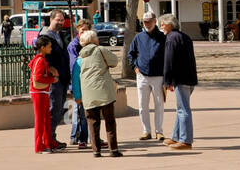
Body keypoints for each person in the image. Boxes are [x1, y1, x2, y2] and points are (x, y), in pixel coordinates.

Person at [78, 29, 122, 158]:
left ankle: (96, 150)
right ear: (94, 40)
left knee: (92, 122)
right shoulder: (100, 50)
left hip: (88, 92)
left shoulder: (81, 55)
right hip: (103, 91)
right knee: (109, 120)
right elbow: (114, 61)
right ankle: (113, 149)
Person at [127, 9, 167, 140]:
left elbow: (168, 55)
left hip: (158, 76)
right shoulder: (139, 37)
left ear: (155, 21)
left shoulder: (162, 37)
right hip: (142, 75)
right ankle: (146, 131)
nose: (147, 24)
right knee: (142, 105)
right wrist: (135, 67)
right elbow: (131, 54)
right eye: (145, 22)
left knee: (159, 104)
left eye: (149, 21)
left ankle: (159, 131)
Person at [160, 14, 198, 151]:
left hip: (181, 79)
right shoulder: (185, 37)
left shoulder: (171, 38)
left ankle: (186, 141)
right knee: (181, 108)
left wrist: (167, 81)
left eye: (162, 24)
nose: (161, 26)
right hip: (190, 78)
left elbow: (169, 61)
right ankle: (176, 137)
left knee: (183, 109)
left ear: (169, 25)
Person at [37, 9, 70, 148]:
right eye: (58, 19)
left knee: (58, 109)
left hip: (62, 78)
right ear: (51, 19)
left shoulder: (59, 35)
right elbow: (42, 55)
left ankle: (52, 137)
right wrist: (50, 69)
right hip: (53, 79)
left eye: (62, 20)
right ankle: (47, 140)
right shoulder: (45, 36)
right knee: (53, 109)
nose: (60, 22)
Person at [30, 37, 64, 153]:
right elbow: (37, 78)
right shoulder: (40, 60)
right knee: (40, 120)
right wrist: (51, 79)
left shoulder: (41, 59)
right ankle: (40, 146)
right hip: (38, 93)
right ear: (43, 48)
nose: (51, 48)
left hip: (42, 92)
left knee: (45, 120)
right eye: (49, 46)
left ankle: (48, 143)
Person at [67, 19, 93, 149]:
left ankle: (84, 136)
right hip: (77, 83)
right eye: (82, 30)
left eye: (87, 30)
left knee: (84, 112)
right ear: (78, 30)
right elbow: (74, 66)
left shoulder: (89, 43)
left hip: (88, 82)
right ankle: (77, 137)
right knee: (79, 111)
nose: (84, 32)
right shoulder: (74, 45)